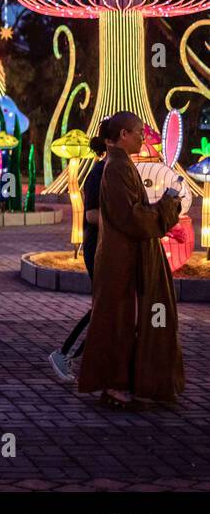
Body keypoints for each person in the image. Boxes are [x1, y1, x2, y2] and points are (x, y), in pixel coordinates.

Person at [76, 112, 185, 410]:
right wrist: (167, 206)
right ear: (123, 134)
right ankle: (114, 385)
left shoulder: (121, 165)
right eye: (138, 132)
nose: (143, 137)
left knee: (123, 320)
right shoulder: (115, 168)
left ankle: (123, 383)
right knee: (118, 321)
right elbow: (131, 217)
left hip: (123, 257)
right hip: (119, 259)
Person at [48, 138, 106, 381]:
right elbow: (92, 214)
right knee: (104, 306)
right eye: (136, 133)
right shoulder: (100, 172)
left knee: (109, 308)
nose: (141, 140)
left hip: (110, 247)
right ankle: (66, 354)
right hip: (100, 247)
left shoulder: (115, 169)